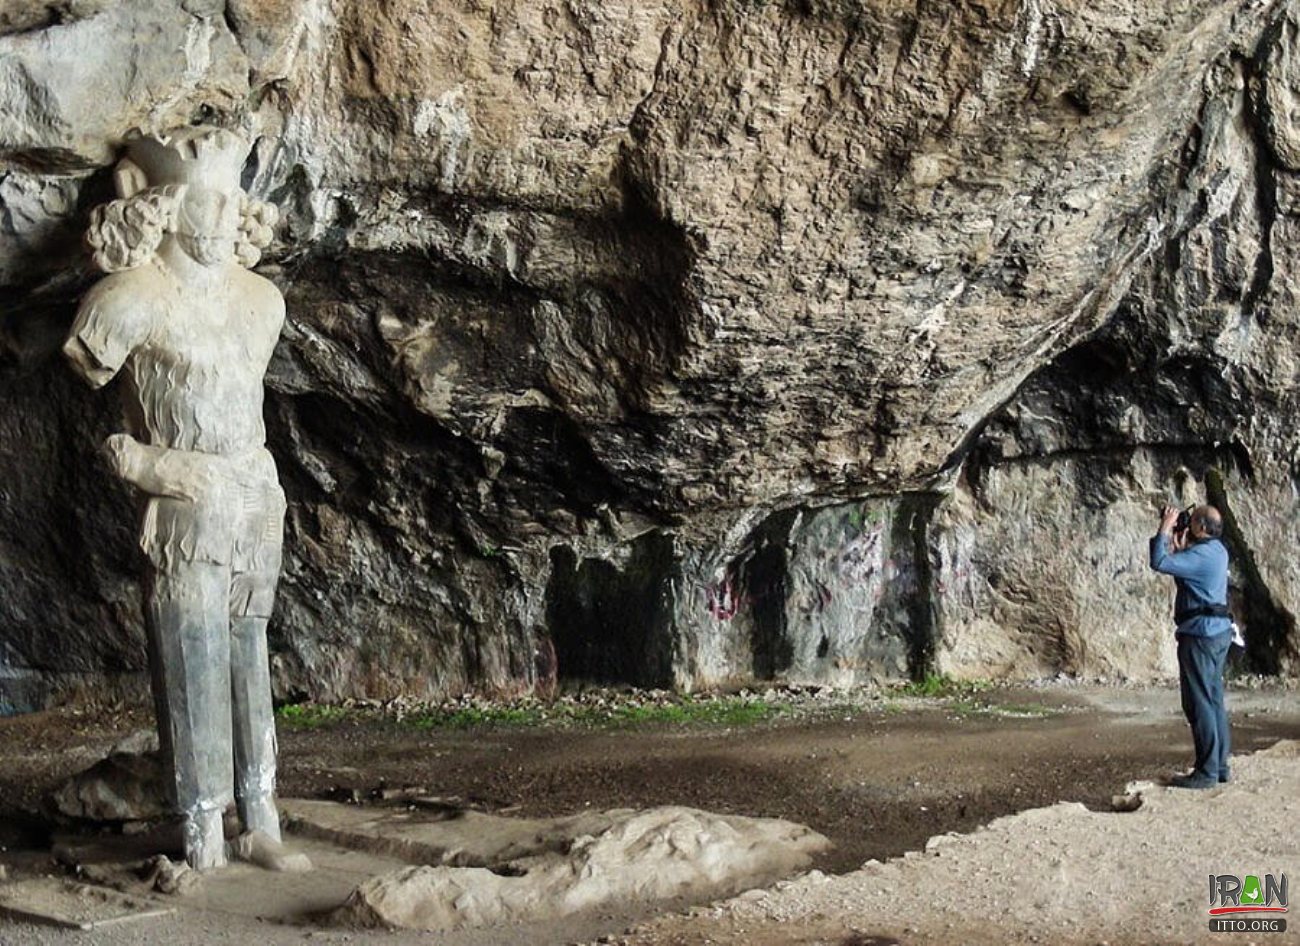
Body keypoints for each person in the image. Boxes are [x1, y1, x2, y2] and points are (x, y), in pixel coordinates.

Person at [64, 128, 301, 870]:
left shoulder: (262, 300)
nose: (227, 214)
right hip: (183, 495)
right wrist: (151, 467)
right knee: (189, 657)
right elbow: (113, 437)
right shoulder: (125, 301)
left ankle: (259, 815)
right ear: (158, 203)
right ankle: (202, 830)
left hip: (254, 487)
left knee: (245, 652)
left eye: (234, 199)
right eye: (209, 199)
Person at [1149, 504, 1233, 789]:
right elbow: (1190, 576)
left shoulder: (1200, 555)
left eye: (1191, 519)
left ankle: (1206, 772)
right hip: (1218, 634)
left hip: (1200, 637)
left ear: (1200, 527)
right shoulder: (1217, 551)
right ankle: (1219, 767)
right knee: (1213, 700)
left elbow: (1158, 561)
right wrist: (1183, 550)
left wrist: (1165, 527)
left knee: (1199, 704)